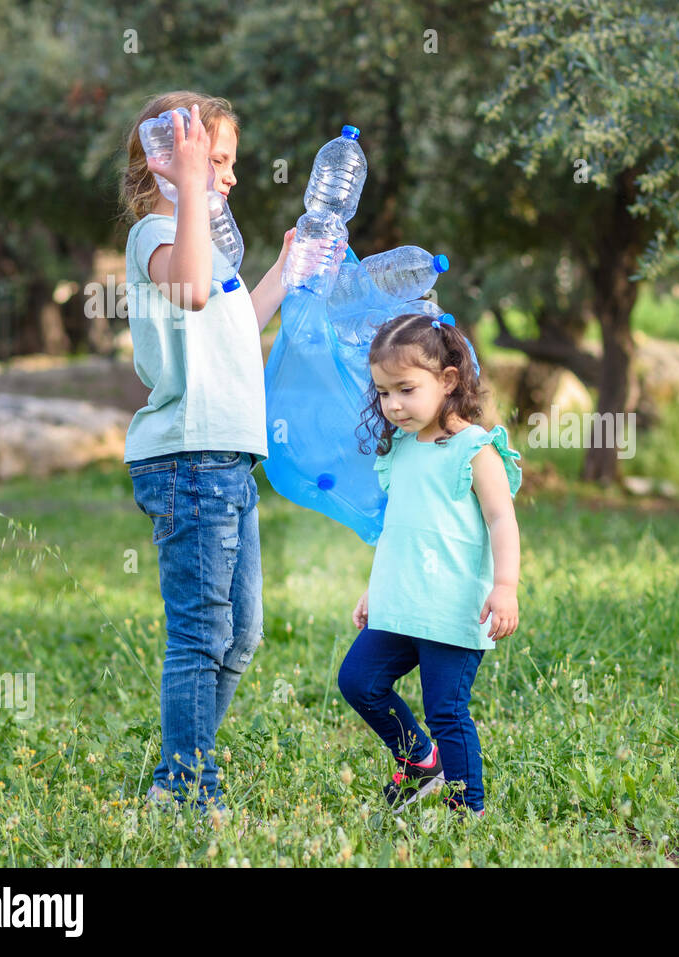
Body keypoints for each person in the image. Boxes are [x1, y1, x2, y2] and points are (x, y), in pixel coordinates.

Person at [118, 91, 295, 815]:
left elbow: (232, 323)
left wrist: (283, 270)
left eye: (227, 164)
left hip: (226, 460)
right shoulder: (157, 235)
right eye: (214, 160)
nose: (227, 177)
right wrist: (190, 187)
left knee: (241, 633)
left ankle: (176, 770)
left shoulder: (206, 245)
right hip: (188, 458)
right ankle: (187, 786)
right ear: (167, 160)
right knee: (201, 632)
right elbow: (189, 290)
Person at [338, 314, 523, 819]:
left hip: (452, 611)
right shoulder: (398, 448)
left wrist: (505, 585)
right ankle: (420, 760)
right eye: (382, 393)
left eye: (405, 389)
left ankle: (469, 809)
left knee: (447, 711)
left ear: (447, 381)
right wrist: (376, 588)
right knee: (358, 681)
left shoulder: (474, 449)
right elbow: (399, 527)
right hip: (401, 603)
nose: (393, 405)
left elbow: (502, 520)